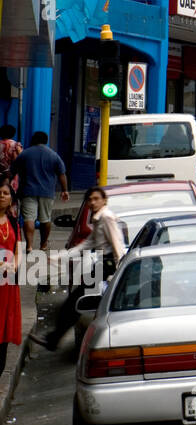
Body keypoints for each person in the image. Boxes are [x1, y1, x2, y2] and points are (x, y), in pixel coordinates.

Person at [32, 186, 124, 351]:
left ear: (104, 200)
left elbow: (118, 246)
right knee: (74, 303)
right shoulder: (98, 220)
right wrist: (59, 257)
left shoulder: (107, 217)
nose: (93, 202)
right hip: (102, 266)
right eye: (90, 200)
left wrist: (118, 271)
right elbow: (86, 245)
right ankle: (53, 339)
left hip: (107, 267)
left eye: (96, 199)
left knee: (76, 302)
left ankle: (54, 339)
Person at [11, 132, 68, 252]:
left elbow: (13, 170)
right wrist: (64, 190)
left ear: (33, 140)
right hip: (47, 192)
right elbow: (62, 173)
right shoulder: (53, 155)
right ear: (46, 140)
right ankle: (43, 245)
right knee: (45, 219)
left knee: (28, 219)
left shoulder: (25, 154)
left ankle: (29, 245)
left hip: (28, 191)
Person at [0, 186, 20, 373]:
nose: (1, 196)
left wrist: (14, 264)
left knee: (5, 327)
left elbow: (17, 247)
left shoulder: (13, 222)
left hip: (7, 284)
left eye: (5, 193)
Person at [0, 125, 22, 194]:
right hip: (11, 174)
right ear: (13, 134)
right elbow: (21, 159)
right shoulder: (15, 145)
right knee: (10, 193)